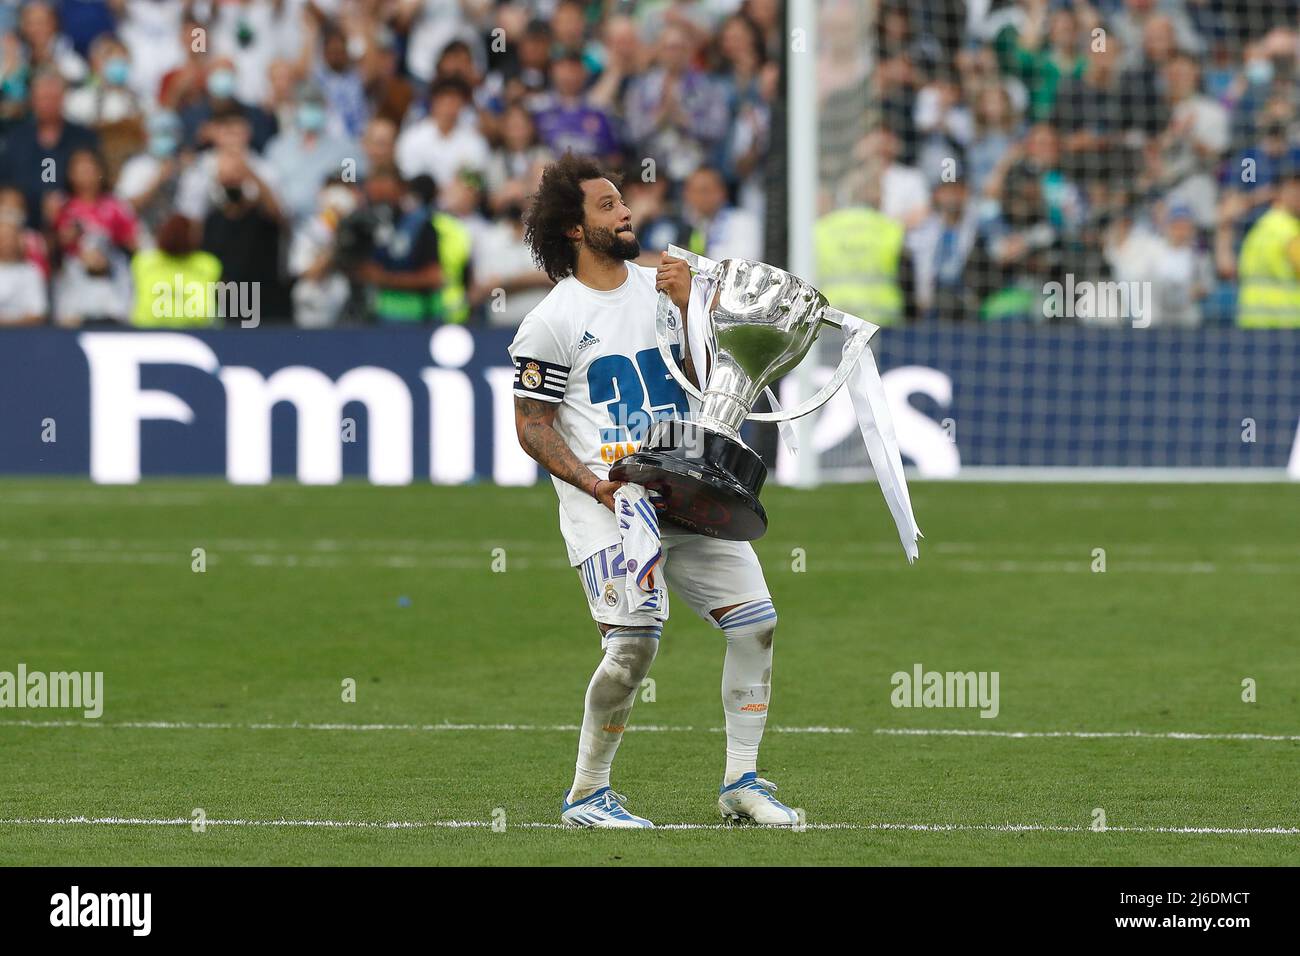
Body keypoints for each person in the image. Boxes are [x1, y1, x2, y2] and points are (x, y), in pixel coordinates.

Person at [509, 153, 796, 828]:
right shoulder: (552, 321)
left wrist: (693, 309)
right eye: (607, 205)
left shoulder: (664, 288)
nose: (626, 211)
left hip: (685, 489)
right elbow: (531, 426)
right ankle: (587, 794)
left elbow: (706, 382)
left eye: (622, 200)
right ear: (575, 230)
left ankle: (741, 784)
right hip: (611, 507)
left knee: (757, 625)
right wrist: (594, 486)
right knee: (634, 646)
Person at [1236, 166, 1300, 328]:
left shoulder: (1261, 226)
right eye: (1295, 190)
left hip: (1251, 319)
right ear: (1280, 193)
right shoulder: (1289, 231)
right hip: (1285, 322)